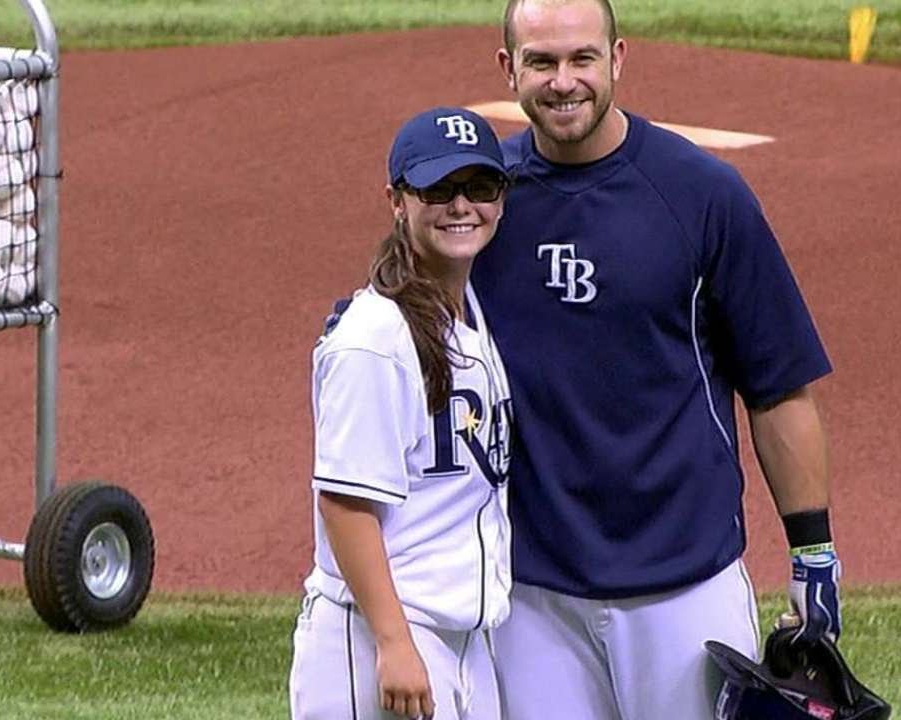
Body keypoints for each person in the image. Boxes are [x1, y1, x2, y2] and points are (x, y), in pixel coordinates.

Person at [467, 1, 843, 718]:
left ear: (617, 58)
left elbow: (778, 388)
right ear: (508, 68)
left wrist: (813, 554)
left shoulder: (702, 195)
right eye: (542, 61)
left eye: (582, 58)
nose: (563, 81)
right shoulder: (480, 207)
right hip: (531, 596)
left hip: (684, 586)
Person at [290, 107, 515, 720]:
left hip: (462, 641)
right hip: (380, 635)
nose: (461, 205)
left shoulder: (471, 312)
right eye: (438, 190)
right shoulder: (374, 338)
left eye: (479, 187)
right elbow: (346, 503)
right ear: (397, 201)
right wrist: (393, 642)